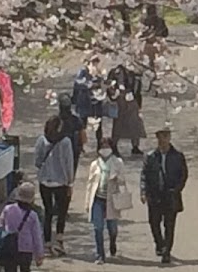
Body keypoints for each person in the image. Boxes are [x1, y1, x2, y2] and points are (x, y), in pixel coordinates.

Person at [140, 127, 189, 264]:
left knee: (169, 224)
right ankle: (159, 243)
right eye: (160, 137)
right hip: (154, 195)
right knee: (154, 223)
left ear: (169, 138)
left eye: (165, 136)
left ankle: (167, 251)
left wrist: (177, 189)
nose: (163, 140)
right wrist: (143, 192)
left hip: (170, 195)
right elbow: (144, 175)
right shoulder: (150, 157)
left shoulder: (177, 156)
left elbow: (183, 175)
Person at [34, 116, 75, 256]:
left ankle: (46, 244)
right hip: (61, 182)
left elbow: (37, 161)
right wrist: (70, 182)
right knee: (62, 213)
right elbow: (69, 162)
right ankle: (59, 242)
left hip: (45, 181)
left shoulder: (41, 140)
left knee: (48, 212)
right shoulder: (65, 142)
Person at [84, 137, 127, 265]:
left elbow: (123, 181)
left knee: (112, 228)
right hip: (98, 199)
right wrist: (87, 203)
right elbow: (90, 184)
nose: (105, 148)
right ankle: (100, 255)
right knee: (98, 228)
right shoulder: (95, 164)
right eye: (102, 146)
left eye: (107, 146)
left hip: (112, 200)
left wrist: (116, 178)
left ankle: (113, 242)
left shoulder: (118, 162)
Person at [0, 182, 44, 271]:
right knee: (25, 269)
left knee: (9, 269)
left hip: (9, 247)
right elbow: (37, 236)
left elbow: (0, 228)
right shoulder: (32, 215)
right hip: (26, 249)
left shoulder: (7, 209)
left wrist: (0, 244)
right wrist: (39, 255)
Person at [107, 64, 146, 157]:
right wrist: (115, 96)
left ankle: (135, 146)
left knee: (135, 123)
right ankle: (114, 144)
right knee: (118, 124)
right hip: (120, 101)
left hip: (133, 100)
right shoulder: (116, 72)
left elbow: (138, 90)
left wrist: (139, 104)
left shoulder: (135, 72)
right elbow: (109, 86)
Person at [73, 57, 110, 146]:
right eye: (93, 63)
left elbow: (103, 84)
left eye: (96, 63)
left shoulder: (99, 73)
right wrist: (90, 85)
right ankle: (80, 144)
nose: (95, 65)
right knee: (82, 124)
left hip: (96, 102)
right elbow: (78, 83)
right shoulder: (83, 72)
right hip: (85, 101)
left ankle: (99, 144)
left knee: (98, 123)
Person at [57, 93, 86, 177]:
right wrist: (81, 147)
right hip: (73, 151)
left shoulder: (55, 120)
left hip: (58, 152)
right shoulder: (76, 120)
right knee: (71, 175)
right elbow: (83, 137)